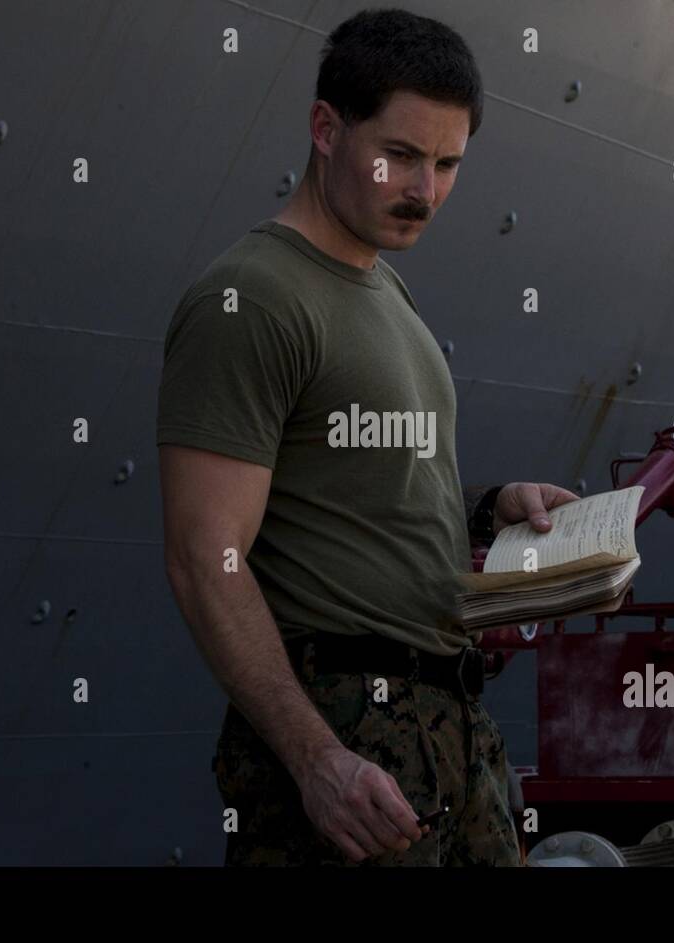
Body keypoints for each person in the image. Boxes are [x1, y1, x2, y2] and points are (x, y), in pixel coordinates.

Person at [156, 7, 576, 866]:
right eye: (403, 156)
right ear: (324, 127)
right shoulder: (250, 300)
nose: (425, 189)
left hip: (450, 742)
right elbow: (207, 560)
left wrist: (492, 509)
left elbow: (363, 498)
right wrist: (317, 761)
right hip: (348, 747)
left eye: (449, 163)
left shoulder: (390, 296)